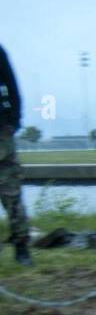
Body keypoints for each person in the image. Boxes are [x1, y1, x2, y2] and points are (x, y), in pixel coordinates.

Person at [0, 43, 31, 267]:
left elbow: (13, 88)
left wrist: (14, 122)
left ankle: (22, 249)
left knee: (11, 193)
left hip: (2, 133)